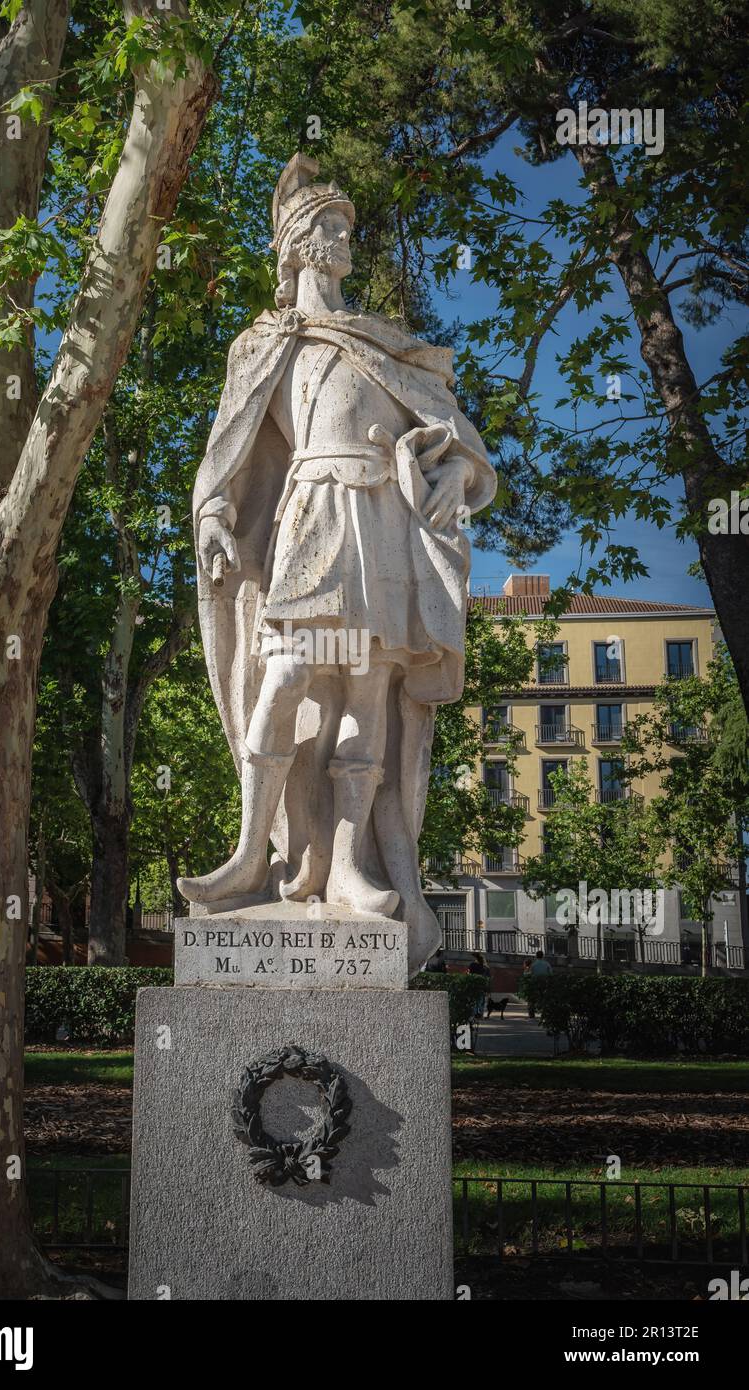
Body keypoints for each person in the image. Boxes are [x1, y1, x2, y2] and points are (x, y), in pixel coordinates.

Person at [176, 153, 497, 975]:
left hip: (379, 529)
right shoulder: (262, 345)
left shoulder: (385, 344)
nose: (343, 237)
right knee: (282, 677)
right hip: (309, 517)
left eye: (348, 226)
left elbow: (460, 443)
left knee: (365, 693)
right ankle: (254, 854)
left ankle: (351, 868)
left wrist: (457, 473)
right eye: (327, 225)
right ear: (293, 244)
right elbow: (228, 458)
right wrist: (213, 517)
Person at [527, 949, 552, 1018]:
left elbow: (530, 974)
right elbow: (551, 974)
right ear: (543, 956)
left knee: (532, 998)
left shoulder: (533, 965)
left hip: (535, 982)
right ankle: (545, 1013)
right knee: (545, 998)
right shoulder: (547, 964)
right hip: (545, 982)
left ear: (536, 956)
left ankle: (531, 1013)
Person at [467, 951, 490, 1018]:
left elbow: (469, 974)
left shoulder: (472, 965)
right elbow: (488, 978)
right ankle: (480, 1013)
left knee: (474, 1000)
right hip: (482, 986)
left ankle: (474, 1013)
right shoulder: (485, 967)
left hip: (474, 985)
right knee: (481, 1000)